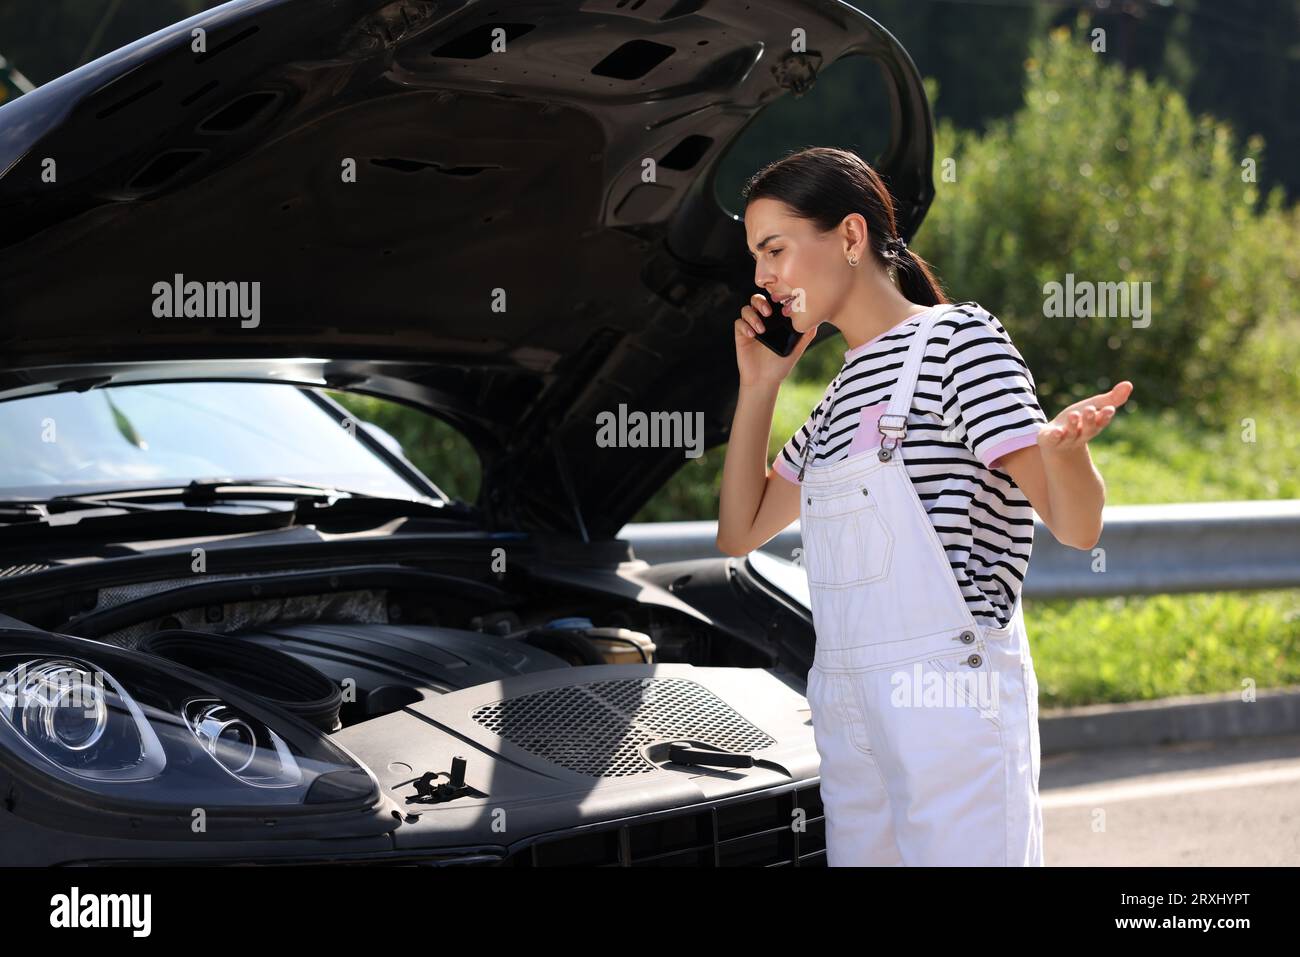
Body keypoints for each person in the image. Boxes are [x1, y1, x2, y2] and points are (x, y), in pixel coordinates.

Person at [715, 147, 1132, 866]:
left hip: (949, 708)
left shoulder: (958, 343)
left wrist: (1067, 455)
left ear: (850, 237)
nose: (761, 276)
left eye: (774, 248)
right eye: (756, 256)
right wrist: (760, 385)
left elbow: (1076, 524)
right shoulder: (838, 396)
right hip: (851, 710)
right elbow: (738, 530)